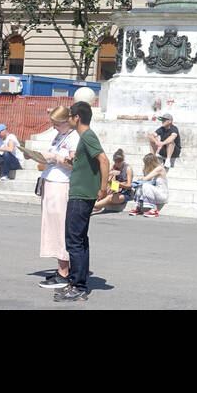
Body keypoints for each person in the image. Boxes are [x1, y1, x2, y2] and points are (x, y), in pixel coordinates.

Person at [57, 101, 109, 303]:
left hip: (81, 195)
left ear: (77, 118)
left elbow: (103, 160)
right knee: (80, 240)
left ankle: (78, 286)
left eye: (70, 116)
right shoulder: (84, 138)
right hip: (81, 193)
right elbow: (91, 162)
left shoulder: (87, 136)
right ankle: (77, 283)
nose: (68, 119)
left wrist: (103, 187)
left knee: (74, 241)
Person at [38, 105, 79, 289]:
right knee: (52, 226)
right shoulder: (60, 135)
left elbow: (74, 163)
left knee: (59, 227)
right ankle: (61, 267)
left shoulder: (74, 137)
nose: (54, 126)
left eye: (56, 124)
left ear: (65, 122)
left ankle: (64, 272)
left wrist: (54, 158)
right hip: (51, 180)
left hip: (61, 184)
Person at [132, 153, 170, 218]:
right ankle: (138, 208)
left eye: (146, 163)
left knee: (145, 185)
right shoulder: (151, 170)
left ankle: (154, 210)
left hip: (162, 195)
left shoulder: (159, 168)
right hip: (154, 194)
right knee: (140, 186)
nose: (145, 165)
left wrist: (135, 182)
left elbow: (145, 179)